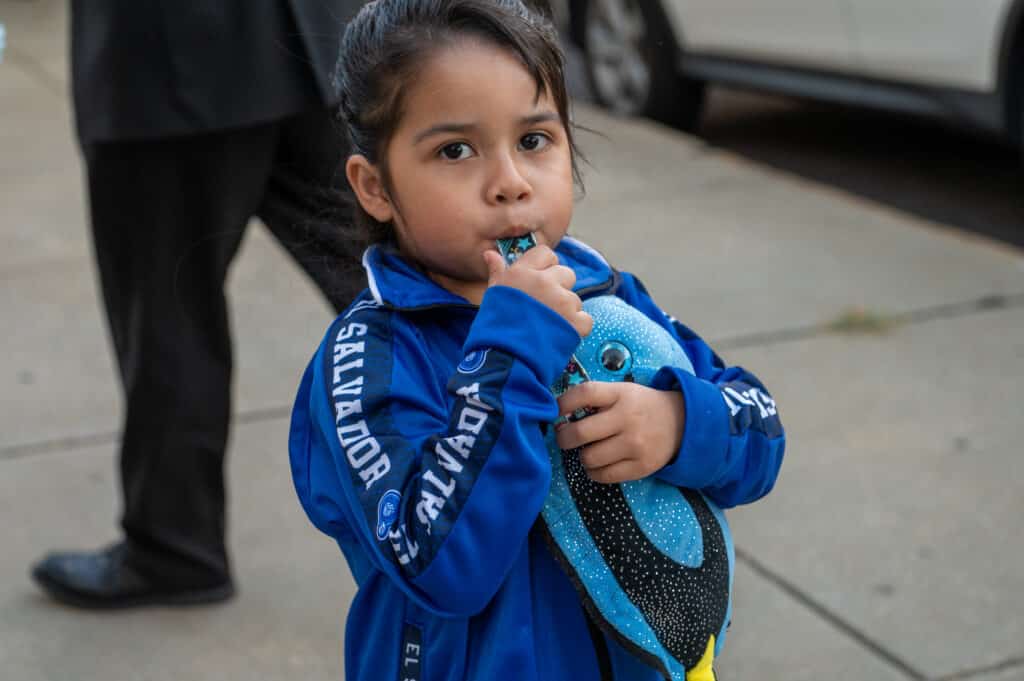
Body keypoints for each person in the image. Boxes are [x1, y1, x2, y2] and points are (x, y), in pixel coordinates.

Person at [288, 0, 786, 678]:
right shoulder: (368, 357)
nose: (510, 184)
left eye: (533, 140)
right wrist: (511, 353)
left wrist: (678, 423)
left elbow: (761, 432)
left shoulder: (606, 295)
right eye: (455, 150)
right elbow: (440, 563)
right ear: (375, 186)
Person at [31, 0, 366, 609]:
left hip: (175, 60)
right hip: (311, 40)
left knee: (169, 310)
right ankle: (522, 482)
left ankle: (174, 545)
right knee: (394, 280)